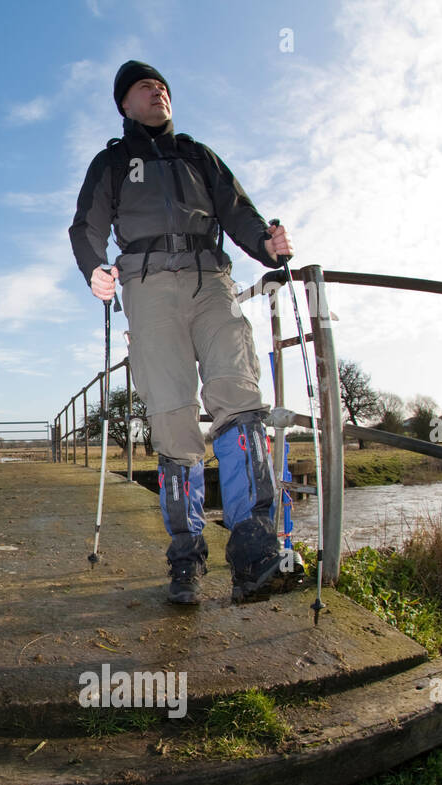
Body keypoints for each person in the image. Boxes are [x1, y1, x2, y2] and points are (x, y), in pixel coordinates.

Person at [68, 60, 305, 605]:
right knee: (172, 415)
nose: (158, 92)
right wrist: (93, 267)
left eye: (164, 87)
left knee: (239, 398)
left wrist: (266, 245)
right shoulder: (111, 160)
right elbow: (86, 223)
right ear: (124, 105)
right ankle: (186, 556)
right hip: (147, 287)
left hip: (210, 281)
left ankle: (254, 548)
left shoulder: (199, 154)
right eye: (145, 87)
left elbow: (239, 210)